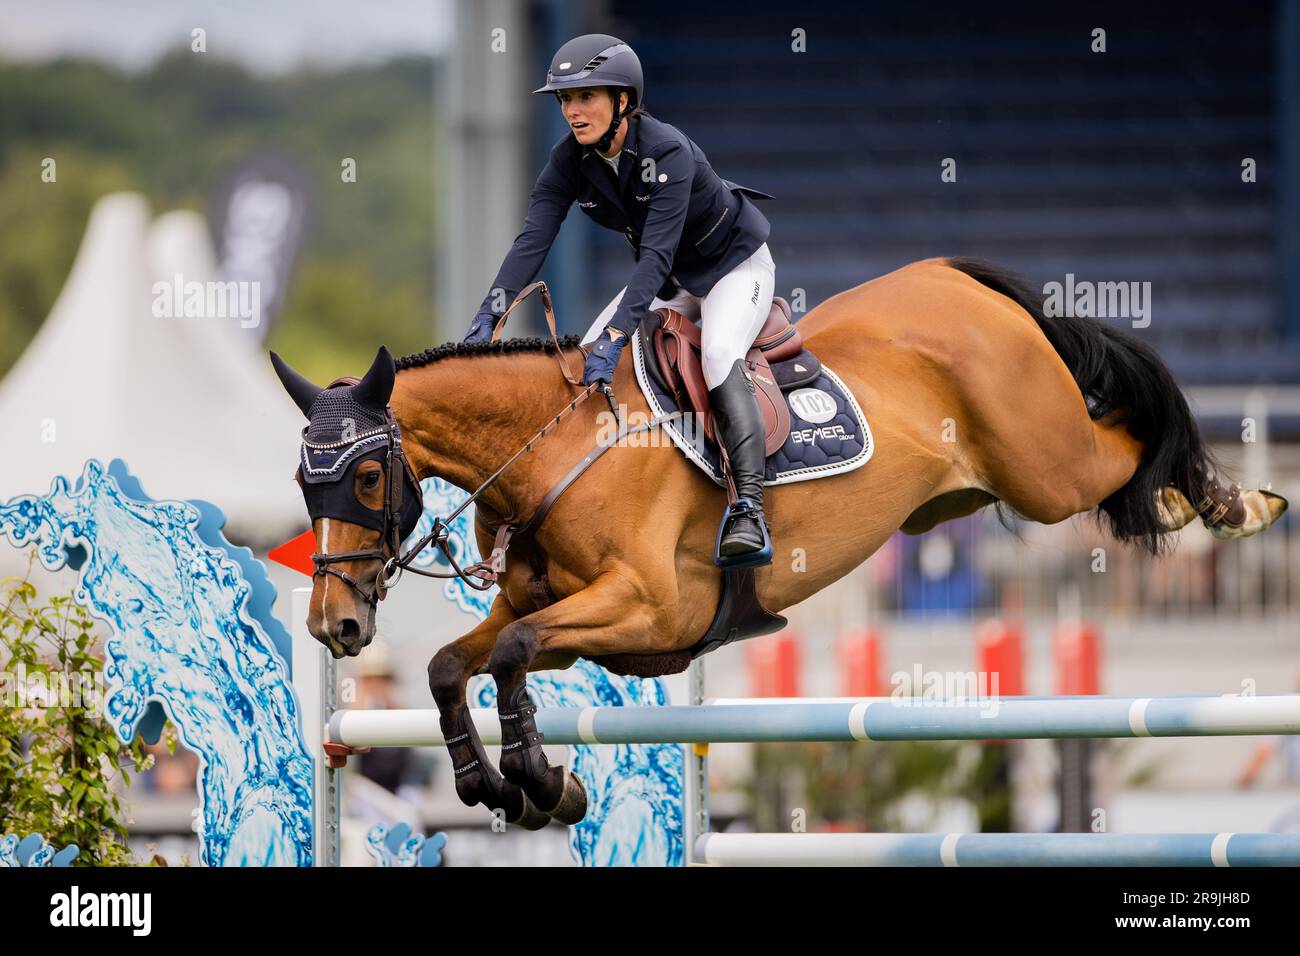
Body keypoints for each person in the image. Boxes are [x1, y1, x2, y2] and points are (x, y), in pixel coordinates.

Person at [464, 33, 777, 564]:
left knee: (722, 353)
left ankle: (748, 507)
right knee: (583, 366)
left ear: (624, 102)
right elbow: (532, 241)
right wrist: (487, 315)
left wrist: (617, 337)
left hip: (734, 269)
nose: (572, 110)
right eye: (565, 99)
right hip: (674, 283)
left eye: (586, 96)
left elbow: (653, 259)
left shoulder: (668, 152)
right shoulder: (567, 160)